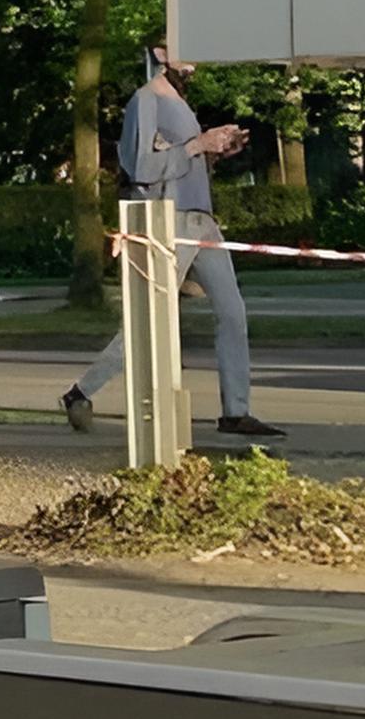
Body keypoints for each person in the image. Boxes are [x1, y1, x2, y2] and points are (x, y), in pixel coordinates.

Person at [62, 48, 281, 443]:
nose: (193, 67)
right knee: (150, 317)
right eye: (186, 58)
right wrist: (198, 145)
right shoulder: (146, 100)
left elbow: (179, 161)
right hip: (171, 222)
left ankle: (236, 410)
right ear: (162, 53)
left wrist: (217, 150)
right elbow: (140, 167)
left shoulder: (178, 104)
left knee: (232, 312)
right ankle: (81, 392)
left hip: (202, 220)